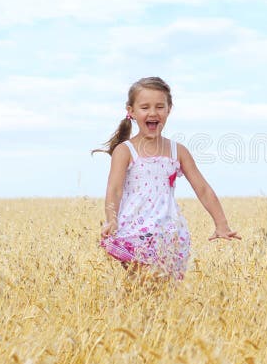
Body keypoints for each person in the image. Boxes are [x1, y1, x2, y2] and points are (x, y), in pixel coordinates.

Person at [93, 77, 239, 280]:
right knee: (140, 285)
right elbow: (115, 190)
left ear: (169, 109)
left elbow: (202, 188)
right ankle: (128, 311)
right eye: (145, 107)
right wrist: (111, 220)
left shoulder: (177, 151)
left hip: (170, 233)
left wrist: (221, 223)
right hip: (134, 231)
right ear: (131, 111)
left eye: (160, 106)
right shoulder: (124, 151)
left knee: (165, 291)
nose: (153, 112)